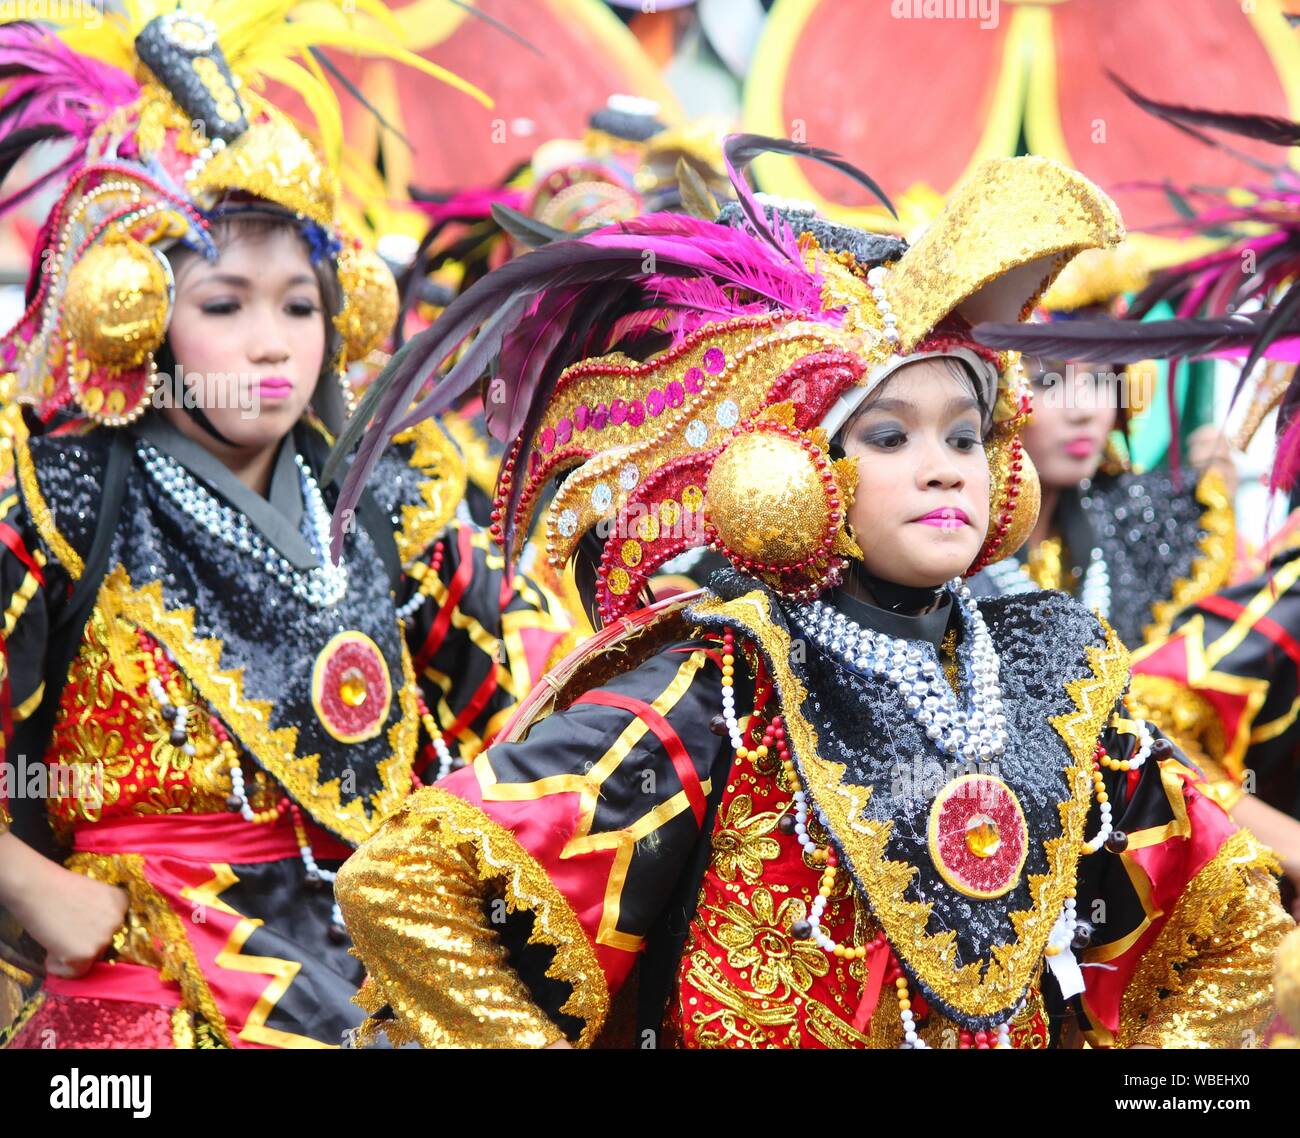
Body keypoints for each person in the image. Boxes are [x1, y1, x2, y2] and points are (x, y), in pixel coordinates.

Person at [333, 143, 1290, 1048]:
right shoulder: (725, 692)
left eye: (965, 437)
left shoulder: (1058, 675)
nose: (943, 468)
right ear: (794, 467)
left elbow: (1233, 924)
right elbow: (413, 883)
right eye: (889, 437)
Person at [0, 6, 572, 1049]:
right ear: (140, 316)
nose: (271, 344)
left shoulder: (394, 498)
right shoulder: (54, 494)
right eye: (224, 305)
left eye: (298, 306)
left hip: (384, 943)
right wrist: (37, 888)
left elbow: (539, 709)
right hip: (155, 959)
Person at [968, 246, 1236, 651]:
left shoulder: (1142, 524)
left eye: (1098, 380)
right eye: (1047, 381)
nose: (1084, 411)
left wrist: (1217, 483)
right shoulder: (948, 550)